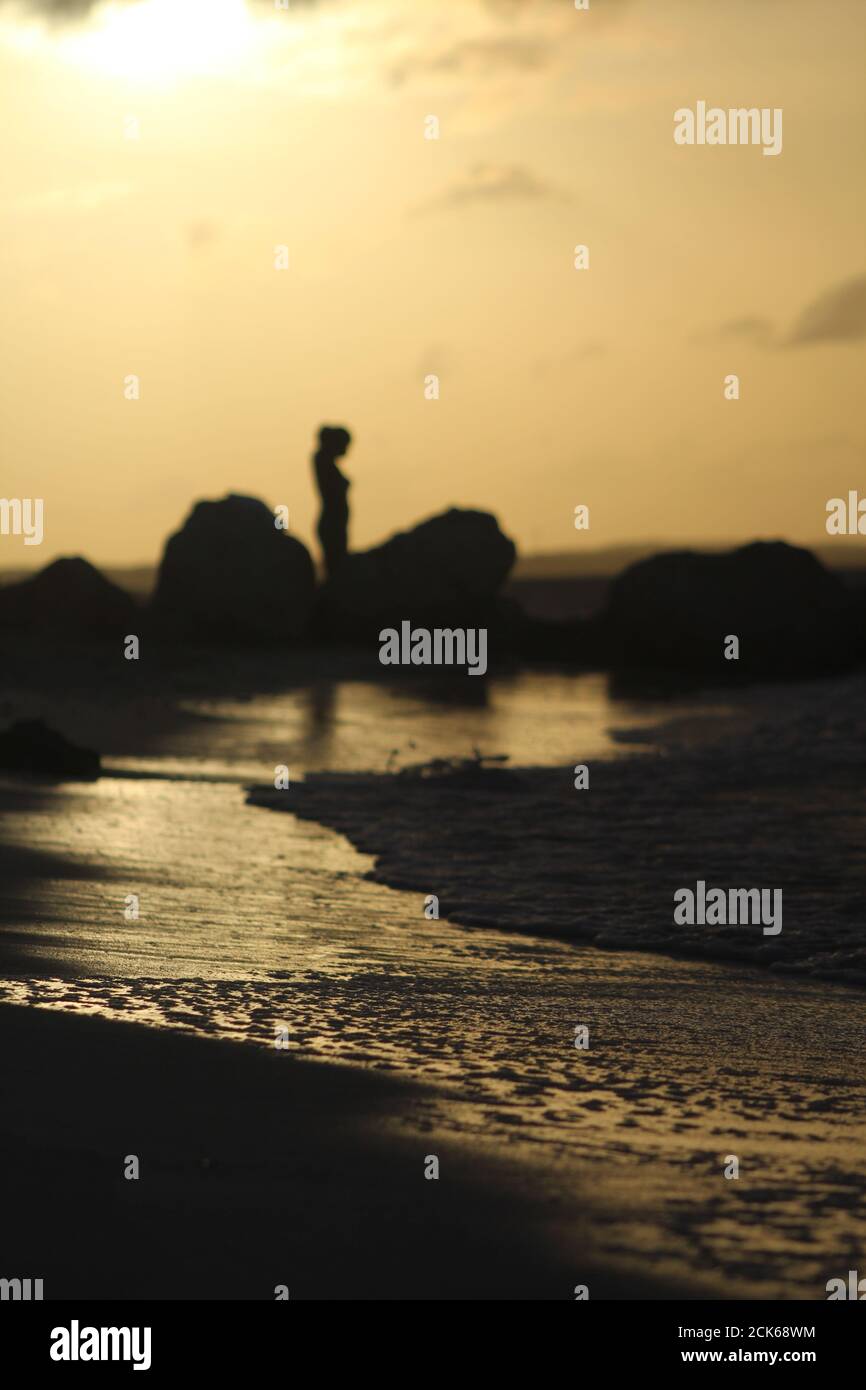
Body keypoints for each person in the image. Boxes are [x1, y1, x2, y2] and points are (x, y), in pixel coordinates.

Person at [312, 425, 352, 579]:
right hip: (331, 522)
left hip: (335, 522)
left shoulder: (325, 462)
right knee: (334, 568)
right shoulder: (322, 461)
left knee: (336, 565)